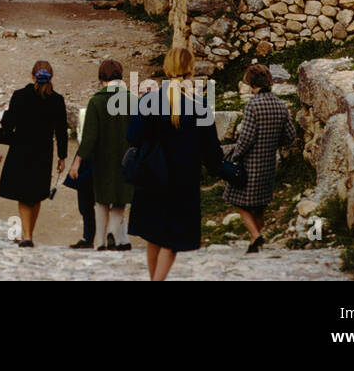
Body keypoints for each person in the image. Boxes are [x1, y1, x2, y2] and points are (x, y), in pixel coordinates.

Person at [127, 46, 223, 281]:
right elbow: (212, 152)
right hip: (183, 182)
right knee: (171, 240)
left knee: (154, 236)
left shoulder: (150, 100)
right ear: (191, 70)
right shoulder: (200, 106)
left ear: (165, 68)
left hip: (152, 176)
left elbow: (132, 137)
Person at [0, 61, 68, 247]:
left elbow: (8, 126)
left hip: (21, 149)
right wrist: (62, 156)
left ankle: (27, 236)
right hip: (44, 152)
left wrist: (4, 117)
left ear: (32, 75)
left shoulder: (20, 96)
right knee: (36, 194)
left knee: (24, 195)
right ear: (51, 76)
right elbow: (61, 130)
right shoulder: (57, 99)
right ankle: (29, 234)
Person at [224, 63, 297, 254]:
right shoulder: (281, 105)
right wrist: (273, 141)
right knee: (260, 205)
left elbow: (246, 138)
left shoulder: (253, 105)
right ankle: (255, 241)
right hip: (269, 162)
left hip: (250, 163)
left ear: (251, 83)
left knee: (235, 199)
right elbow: (290, 136)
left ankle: (255, 236)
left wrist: (234, 156)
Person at [71, 59, 135, 251]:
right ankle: (113, 232)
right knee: (119, 200)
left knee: (101, 201)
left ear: (101, 78)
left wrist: (77, 161)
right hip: (126, 158)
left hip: (102, 160)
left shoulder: (96, 101)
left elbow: (89, 137)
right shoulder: (133, 100)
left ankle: (99, 241)